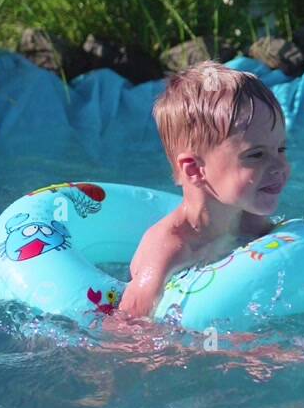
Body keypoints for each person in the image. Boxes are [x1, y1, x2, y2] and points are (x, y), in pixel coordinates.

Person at [117, 62, 289, 319]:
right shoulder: (168, 250)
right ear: (195, 169)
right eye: (256, 155)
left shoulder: (249, 223)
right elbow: (126, 331)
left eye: (281, 149)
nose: (279, 166)